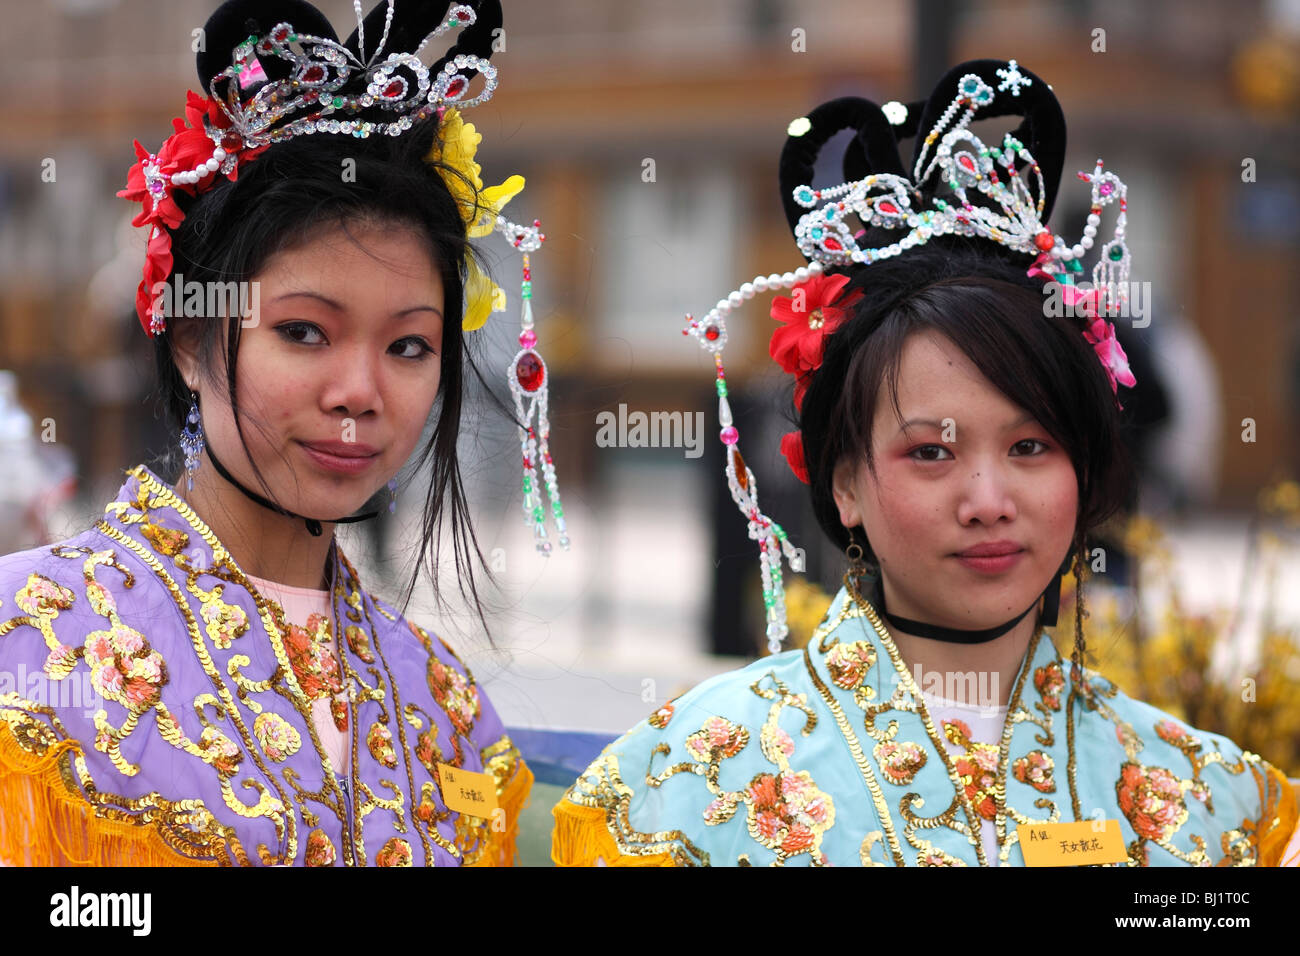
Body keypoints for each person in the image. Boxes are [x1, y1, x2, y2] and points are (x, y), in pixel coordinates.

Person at [551, 59, 1298, 867]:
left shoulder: (1211, 805)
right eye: (932, 452)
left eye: (1030, 447)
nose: (988, 499)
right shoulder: (690, 783)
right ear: (844, 483)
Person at [0, 0, 556, 866]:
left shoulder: (450, 711)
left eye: (410, 346)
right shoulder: (26, 645)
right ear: (190, 340)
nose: (360, 392)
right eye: (304, 331)